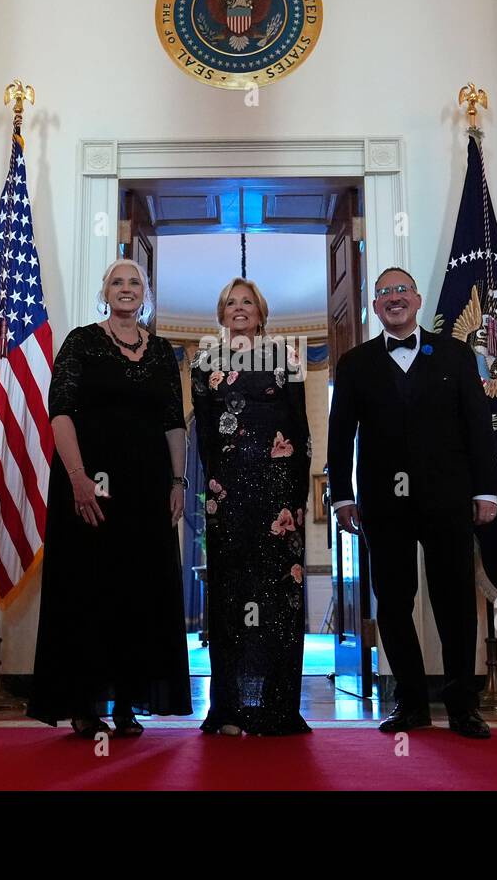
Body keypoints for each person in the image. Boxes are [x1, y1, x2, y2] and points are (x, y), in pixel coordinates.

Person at [327, 267, 497, 739]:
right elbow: (340, 435)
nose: (394, 298)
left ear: (418, 300)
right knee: (394, 603)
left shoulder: (456, 354)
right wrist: (341, 495)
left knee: (454, 603)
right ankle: (410, 704)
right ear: (376, 307)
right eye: (384, 293)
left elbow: (477, 425)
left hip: (448, 498)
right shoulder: (355, 363)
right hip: (383, 504)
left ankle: (463, 706)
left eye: (401, 290)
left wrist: (486, 489)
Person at [27, 258, 192, 736]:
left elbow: (172, 422)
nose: (127, 289)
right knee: (89, 591)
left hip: (147, 491)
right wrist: (77, 477)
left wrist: (178, 483)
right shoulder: (81, 341)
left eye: (135, 282)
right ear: (105, 292)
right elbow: (61, 412)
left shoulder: (161, 352)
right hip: (90, 489)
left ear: (146, 294)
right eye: (118, 282)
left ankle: (126, 703)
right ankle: (84, 703)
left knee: (140, 592)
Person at [190, 278, 312, 736]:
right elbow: (203, 435)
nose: (238, 309)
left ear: (261, 313)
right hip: (228, 498)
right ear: (220, 315)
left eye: (247, 303)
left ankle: (277, 710)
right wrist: (216, 489)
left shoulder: (287, 359)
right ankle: (230, 710)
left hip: (279, 500)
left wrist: (296, 496)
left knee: (279, 600)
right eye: (230, 303)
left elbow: (301, 433)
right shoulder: (204, 363)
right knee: (229, 598)